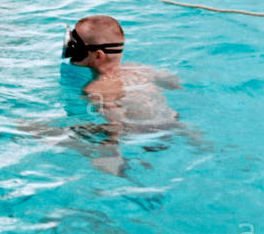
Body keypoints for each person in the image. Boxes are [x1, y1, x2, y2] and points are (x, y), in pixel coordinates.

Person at [63, 14, 181, 175]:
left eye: (75, 44)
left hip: (143, 135)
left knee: (70, 131)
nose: (70, 47)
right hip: (173, 123)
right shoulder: (140, 69)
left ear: (98, 55)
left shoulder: (95, 88)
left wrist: (111, 151)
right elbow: (174, 84)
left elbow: (115, 123)